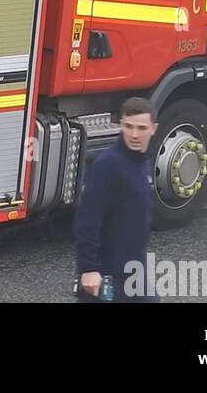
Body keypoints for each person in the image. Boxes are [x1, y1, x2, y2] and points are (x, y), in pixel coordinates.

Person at [73, 97, 158, 303]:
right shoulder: (107, 165)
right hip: (106, 275)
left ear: (153, 129)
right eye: (129, 127)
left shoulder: (141, 163)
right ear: (121, 125)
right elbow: (88, 220)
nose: (135, 134)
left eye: (141, 127)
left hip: (133, 270)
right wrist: (89, 268)